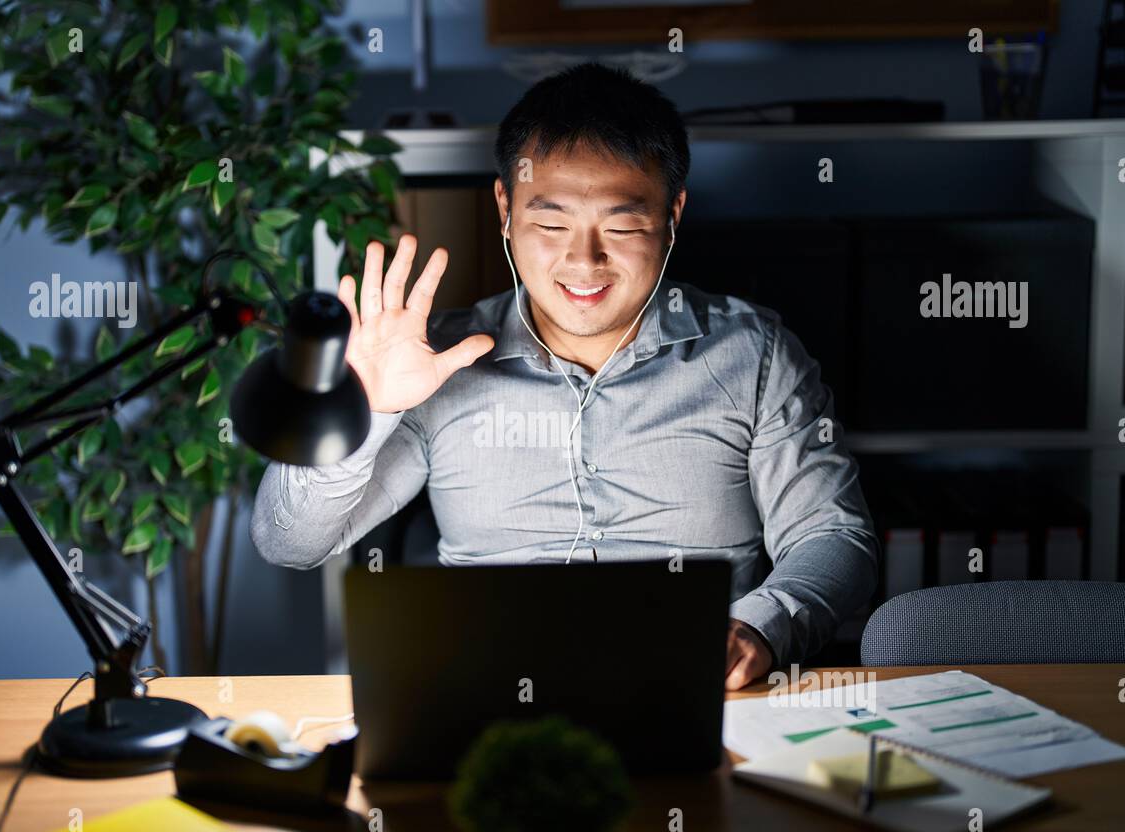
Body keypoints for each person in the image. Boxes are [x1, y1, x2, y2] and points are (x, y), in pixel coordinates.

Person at [251, 63, 878, 687]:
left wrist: (759, 628)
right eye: (551, 224)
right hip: (487, 700)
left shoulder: (754, 354)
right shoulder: (433, 362)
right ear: (504, 207)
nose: (584, 261)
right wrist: (364, 407)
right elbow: (289, 543)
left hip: (700, 697)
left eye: (623, 224)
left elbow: (835, 536)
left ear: (673, 215)